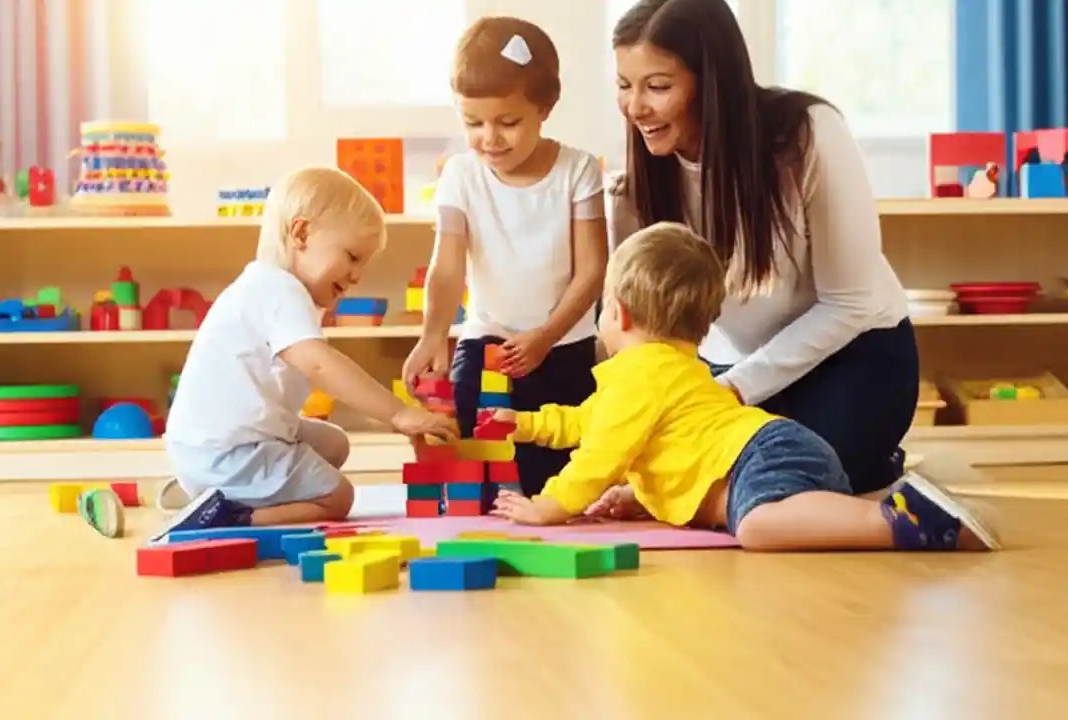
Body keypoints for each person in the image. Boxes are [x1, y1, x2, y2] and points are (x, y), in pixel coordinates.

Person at [489, 223, 997, 552]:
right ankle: (874, 511)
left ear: (616, 311)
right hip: (780, 450)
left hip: (763, 456)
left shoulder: (640, 375)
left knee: (756, 528)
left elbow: (599, 454)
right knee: (762, 520)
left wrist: (551, 506)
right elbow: (588, 422)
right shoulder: (663, 372)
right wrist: (529, 425)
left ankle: (901, 520)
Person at [608, 0, 917, 496]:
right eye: (625, 85)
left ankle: (873, 459)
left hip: (854, 352)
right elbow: (644, 324)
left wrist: (733, 389)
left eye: (658, 86)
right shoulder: (637, 184)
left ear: (712, 84)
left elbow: (851, 302)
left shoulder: (806, 134)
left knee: (785, 478)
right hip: (732, 371)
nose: (635, 107)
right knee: (672, 473)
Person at [155, 168, 458, 542]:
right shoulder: (279, 291)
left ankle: (209, 493)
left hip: (210, 447)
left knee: (335, 445)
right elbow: (319, 364)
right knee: (337, 496)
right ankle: (231, 514)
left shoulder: (264, 286)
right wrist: (398, 413)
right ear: (301, 233)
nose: (357, 275)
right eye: (351, 257)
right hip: (229, 453)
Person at [402, 16, 608, 497]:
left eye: (508, 122)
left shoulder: (577, 170)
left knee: (560, 482)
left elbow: (593, 268)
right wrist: (433, 337)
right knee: (476, 469)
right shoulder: (460, 174)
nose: (489, 137)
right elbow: (447, 266)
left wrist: (546, 335)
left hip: (562, 346)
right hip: (486, 342)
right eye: (473, 123)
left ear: (545, 107)